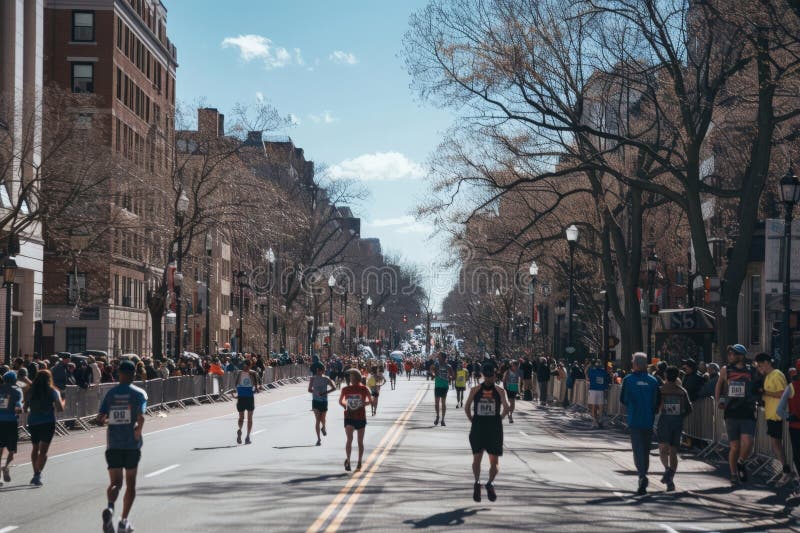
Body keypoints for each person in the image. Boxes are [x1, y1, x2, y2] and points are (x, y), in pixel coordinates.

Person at [96, 360, 147, 533]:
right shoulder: (139, 394)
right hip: (131, 446)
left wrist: (108, 421)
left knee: (115, 483)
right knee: (130, 484)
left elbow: (100, 418)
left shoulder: (110, 394)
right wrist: (138, 432)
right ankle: (123, 521)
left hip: (114, 444)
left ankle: (110, 508)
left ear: (119, 373)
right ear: (134, 374)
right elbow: (141, 417)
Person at [715, 344, 758, 485]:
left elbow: (758, 385)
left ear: (741, 356)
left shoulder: (752, 369)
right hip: (731, 411)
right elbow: (719, 384)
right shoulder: (725, 369)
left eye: (732, 354)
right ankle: (733, 473)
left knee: (749, 442)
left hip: (747, 410)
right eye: (729, 354)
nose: (730, 357)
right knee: (734, 446)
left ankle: (741, 462)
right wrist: (719, 400)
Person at [465, 364, 509, 502]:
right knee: (484, 459)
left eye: (491, 376)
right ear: (485, 375)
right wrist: (497, 418)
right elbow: (467, 407)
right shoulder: (483, 390)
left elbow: (507, 407)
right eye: (488, 375)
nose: (490, 378)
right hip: (486, 427)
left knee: (487, 460)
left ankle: (484, 483)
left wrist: (473, 419)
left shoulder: (495, 390)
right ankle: (483, 483)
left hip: (486, 427)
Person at [620, 352, 660, 495]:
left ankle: (642, 475)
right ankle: (643, 474)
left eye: (632, 362)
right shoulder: (653, 381)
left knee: (638, 451)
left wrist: (633, 405)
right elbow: (657, 402)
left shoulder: (628, 380)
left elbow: (623, 399)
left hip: (635, 419)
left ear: (636, 364)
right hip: (648, 421)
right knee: (645, 451)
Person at [755, 352, 792, 485]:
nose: (759, 369)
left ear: (766, 362)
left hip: (778, 415)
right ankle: (784, 470)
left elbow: (783, 394)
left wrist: (764, 392)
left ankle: (787, 472)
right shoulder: (769, 376)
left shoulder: (777, 374)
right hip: (771, 414)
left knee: (777, 444)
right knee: (775, 444)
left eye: (760, 366)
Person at [26, 368, 65, 486]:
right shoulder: (53, 391)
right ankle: (38, 474)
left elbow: (25, 406)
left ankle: (35, 472)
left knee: (35, 448)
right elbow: (60, 408)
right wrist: (64, 401)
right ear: (49, 379)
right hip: (47, 422)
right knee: (43, 451)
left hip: (33, 421)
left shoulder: (30, 391)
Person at [656, 366, 692, 492]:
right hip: (677, 423)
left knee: (662, 449)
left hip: (664, 422)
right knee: (673, 451)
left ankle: (667, 470)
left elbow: (655, 406)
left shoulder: (660, 390)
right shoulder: (682, 391)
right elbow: (689, 408)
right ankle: (670, 476)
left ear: (665, 376)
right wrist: (680, 416)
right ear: (677, 377)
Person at [339, 369, 372, 472]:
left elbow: (370, 401)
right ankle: (348, 461)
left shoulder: (364, 389)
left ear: (357, 378)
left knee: (360, 441)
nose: (351, 379)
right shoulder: (345, 389)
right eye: (350, 377)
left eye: (353, 377)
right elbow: (341, 401)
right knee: (349, 439)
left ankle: (359, 462)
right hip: (349, 416)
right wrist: (346, 405)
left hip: (360, 416)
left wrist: (362, 404)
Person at [777, 360, 800, 495]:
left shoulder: (791, 387)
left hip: (795, 427)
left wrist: (789, 416)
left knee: (798, 456)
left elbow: (779, 410)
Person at [0, 370, 23, 486]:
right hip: (11, 422)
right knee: (12, 450)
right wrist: (20, 410)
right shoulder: (17, 390)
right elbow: (18, 407)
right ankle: (6, 466)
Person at [308, 364, 336, 446]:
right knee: (318, 419)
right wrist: (316, 392)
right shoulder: (313, 379)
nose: (319, 372)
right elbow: (309, 389)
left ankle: (323, 427)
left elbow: (334, 387)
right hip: (316, 401)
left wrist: (324, 393)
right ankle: (318, 439)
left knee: (322, 419)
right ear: (318, 370)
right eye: (319, 370)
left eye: (321, 370)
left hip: (323, 400)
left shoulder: (326, 378)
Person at [235, 359, 257, 445]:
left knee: (242, 417)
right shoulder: (252, 373)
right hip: (248, 397)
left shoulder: (241, 373)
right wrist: (254, 390)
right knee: (248, 418)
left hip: (242, 397)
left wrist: (238, 392)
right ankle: (246, 436)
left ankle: (242, 431)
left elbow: (236, 384)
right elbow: (256, 386)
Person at [430, 352, 454, 426]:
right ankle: (437, 417)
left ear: (443, 358)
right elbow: (431, 368)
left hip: (444, 386)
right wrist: (433, 374)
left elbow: (452, 375)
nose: (438, 357)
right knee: (437, 402)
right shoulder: (436, 364)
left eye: (439, 356)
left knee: (443, 402)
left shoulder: (448, 366)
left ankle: (443, 419)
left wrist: (450, 378)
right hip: (437, 385)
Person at [587, 360, 610, 429]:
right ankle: (600, 420)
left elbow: (588, 377)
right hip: (600, 390)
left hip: (593, 390)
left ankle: (594, 422)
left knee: (593, 406)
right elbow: (607, 380)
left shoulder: (591, 371)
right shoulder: (604, 372)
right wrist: (606, 387)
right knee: (600, 406)